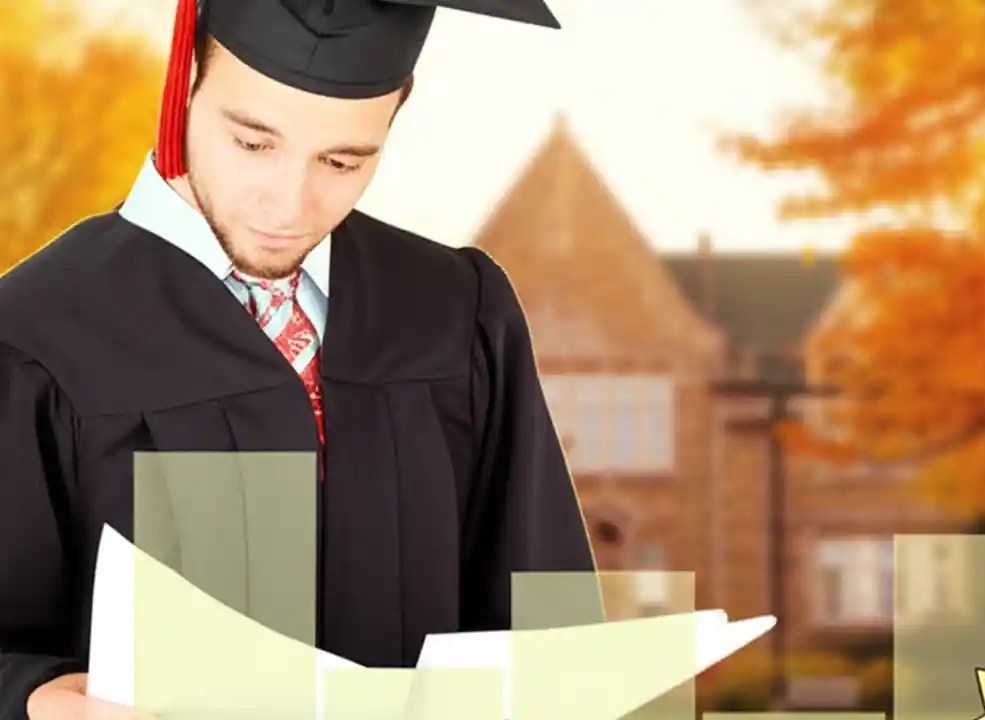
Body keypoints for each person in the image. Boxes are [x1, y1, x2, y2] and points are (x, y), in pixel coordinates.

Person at [0, 0, 599, 717]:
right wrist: (34, 699)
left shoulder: (455, 314)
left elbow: (548, 622)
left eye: (342, 161)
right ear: (184, 79)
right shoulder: (34, 338)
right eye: (253, 144)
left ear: (398, 110)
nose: (289, 205)